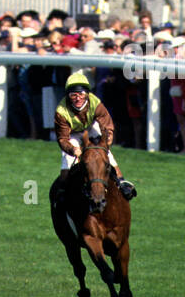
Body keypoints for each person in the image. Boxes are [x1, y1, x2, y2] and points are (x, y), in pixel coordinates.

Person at [51, 72, 136, 203]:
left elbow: (107, 125)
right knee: (67, 163)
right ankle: (62, 190)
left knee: (105, 153)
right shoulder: (61, 111)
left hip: (90, 127)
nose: (78, 98)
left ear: (87, 94)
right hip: (72, 133)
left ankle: (121, 181)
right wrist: (72, 150)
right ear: (68, 96)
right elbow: (62, 138)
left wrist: (106, 141)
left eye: (81, 94)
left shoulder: (95, 103)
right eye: (73, 94)